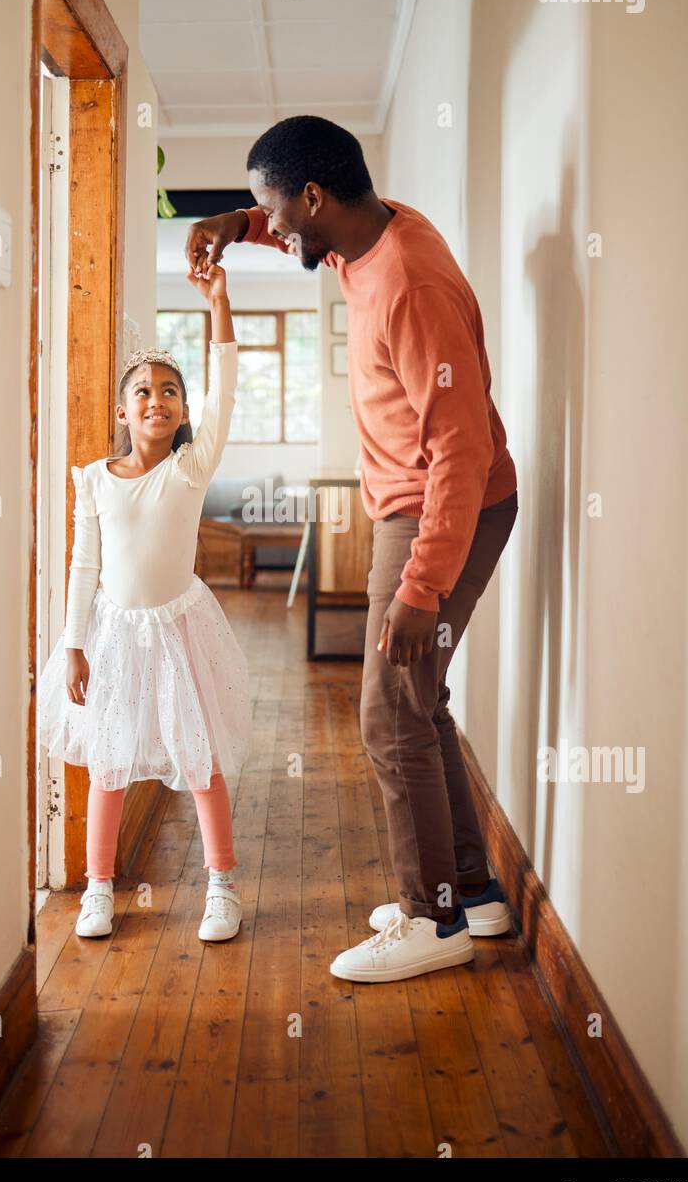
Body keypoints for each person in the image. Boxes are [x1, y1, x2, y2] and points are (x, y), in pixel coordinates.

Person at [186, 116, 518, 984]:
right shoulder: (364, 231)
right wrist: (234, 223)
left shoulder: (408, 283)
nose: (273, 228)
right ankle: (471, 892)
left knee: (385, 713)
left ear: (315, 198)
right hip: (419, 503)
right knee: (420, 702)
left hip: (446, 509)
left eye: (274, 213)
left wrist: (422, 586)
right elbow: (290, 227)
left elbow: (464, 450)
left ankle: (430, 918)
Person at [37, 263, 251, 942]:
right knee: (110, 760)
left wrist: (219, 305)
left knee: (200, 756)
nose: (156, 400)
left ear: (182, 411)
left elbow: (225, 392)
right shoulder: (96, 480)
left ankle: (222, 885)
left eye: (169, 391)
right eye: (142, 392)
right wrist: (73, 643)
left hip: (181, 629)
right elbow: (85, 564)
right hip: (115, 636)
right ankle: (99, 888)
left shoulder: (190, 468)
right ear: (124, 411)